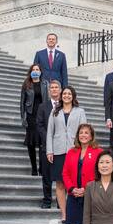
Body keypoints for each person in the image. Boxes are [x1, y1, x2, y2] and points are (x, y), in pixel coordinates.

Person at [59, 122, 98, 224]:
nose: (83, 135)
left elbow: (99, 173)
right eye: (81, 133)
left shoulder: (97, 152)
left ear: (91, 136)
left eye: (86, 133)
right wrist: (71, 188)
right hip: (73, 194)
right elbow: (65, 173)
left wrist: (86, 189)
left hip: (90, 195)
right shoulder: (71, 152)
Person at [46, 86, 85, 221]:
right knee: (60, 183)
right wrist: (49, 150)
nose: (66, 96)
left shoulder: (80, 112)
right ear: (61, 96)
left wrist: (83, 150)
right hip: (58, 151)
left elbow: (84, 132)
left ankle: (74, 211)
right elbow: (50, 132)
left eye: (69, 94)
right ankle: (64, 213)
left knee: (74, 182)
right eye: (65, 94)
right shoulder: (55, 111)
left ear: (73, 96)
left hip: (74, 151)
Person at [35, 78, 63, 208]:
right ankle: (47, 200)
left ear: (60, 90)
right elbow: (39, 124)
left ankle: (60, 201)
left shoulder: (65, 106)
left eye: (56, 87)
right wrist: (48, 137)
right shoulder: (43, 106)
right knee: (46, 174)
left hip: (62, 147)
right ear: (49, 90)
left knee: (61, 175)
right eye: (51, 87)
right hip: (46, 145)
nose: (54, 90)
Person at [20, 63, 46, 177]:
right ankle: (34, 168)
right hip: (30, 115)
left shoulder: (45, 83)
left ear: (40, 71)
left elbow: (48, 99)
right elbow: (22, 102)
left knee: (41, 142)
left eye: (37, 69)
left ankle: (41, 168)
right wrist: (23, 117)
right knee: (31, 143)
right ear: (30, 71)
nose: (35, 71)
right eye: (33, 69)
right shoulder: (26, 84)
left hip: (42, 115)